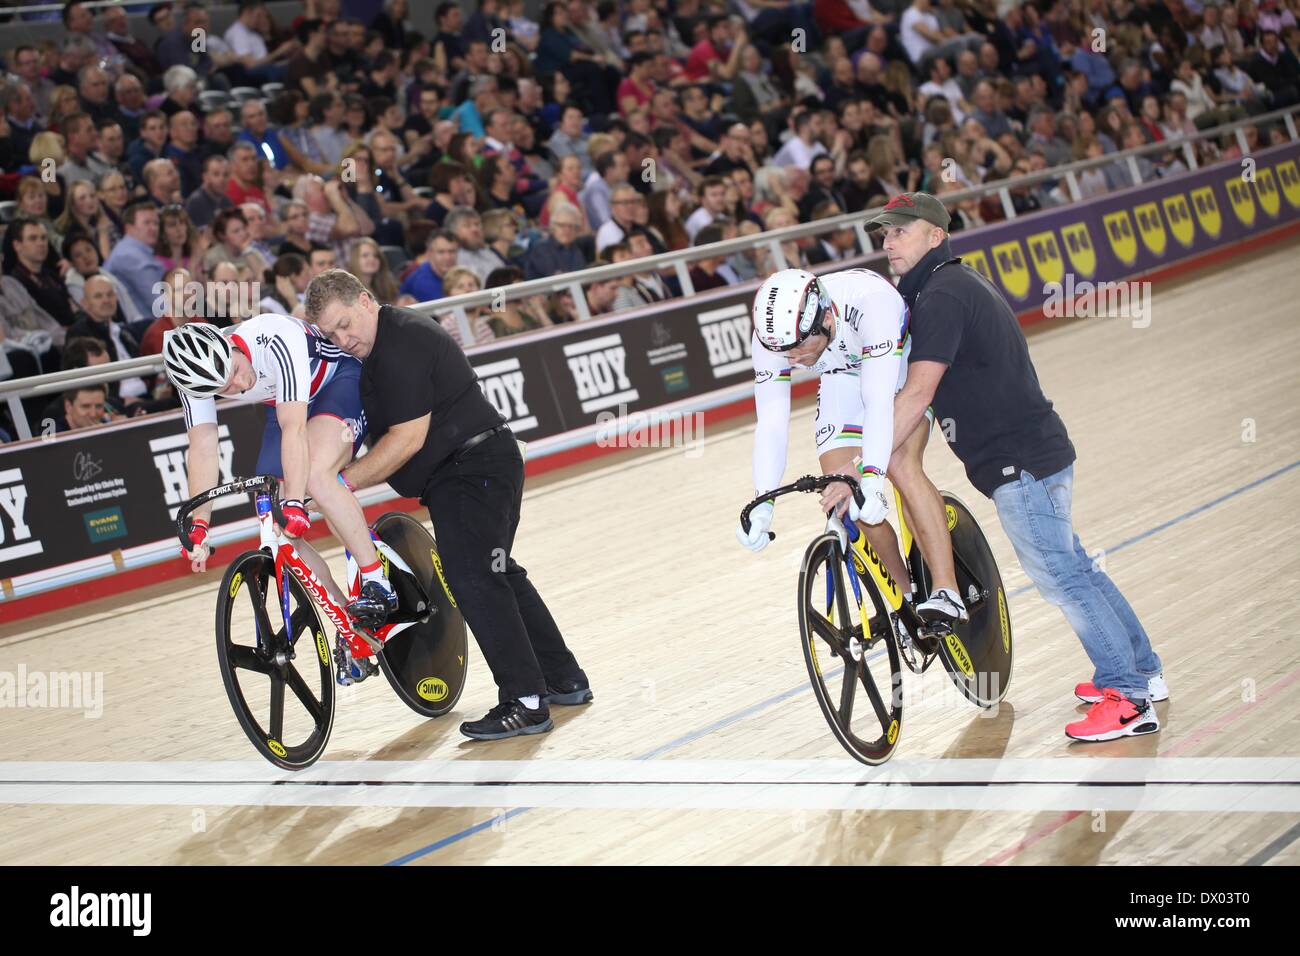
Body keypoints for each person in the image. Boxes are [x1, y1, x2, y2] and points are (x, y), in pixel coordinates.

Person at [871, 192, 1164, 742]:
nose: (888, 242)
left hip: (1019, 465)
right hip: (1036, 453)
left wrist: (867, 457)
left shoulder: (941, 296)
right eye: (884, 233)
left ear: (936, 236)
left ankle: (1128, 698)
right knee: (1077, 568)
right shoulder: (955, 283)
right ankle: (1142, 670)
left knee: (1063, 579)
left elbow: (917, 394)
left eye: (901, 232)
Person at [304, 269, 592, 740]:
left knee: (472, 576)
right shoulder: (377, 348)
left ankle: (526, 700)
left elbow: (408, 439)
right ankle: (563, 679)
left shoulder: (402, 341)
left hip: (472, 467)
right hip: (475, 466)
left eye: (344, 324)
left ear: (364, 299)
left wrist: (336, 485)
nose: (342, 338)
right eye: (329, 333)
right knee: (498, 571)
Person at [735, 260, 967, 627]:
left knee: (898, 465)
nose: (792, 361)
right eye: (784, 354)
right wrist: (764, 501)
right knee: (840, 498)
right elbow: (772, 425)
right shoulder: (775, 337)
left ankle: (947, 591)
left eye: (798, 349)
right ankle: (904, 605)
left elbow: (878, 402)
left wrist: (871, 476)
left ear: (826, 319)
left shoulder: (871, 304)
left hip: (895, 366)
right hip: (840, 376)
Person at [160, 317, 399, 655]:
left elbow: (294, 429)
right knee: (273, 519)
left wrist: (297, 503)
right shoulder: (193, 379)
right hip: (284, 405)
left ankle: (377, 579)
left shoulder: (271, 337)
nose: (241, 383)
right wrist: (199, 523)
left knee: (315, 476)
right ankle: (350, 625)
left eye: (235, 370)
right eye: (225, 389)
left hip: (338, 381)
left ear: (230, 345)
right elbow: (202, 447)